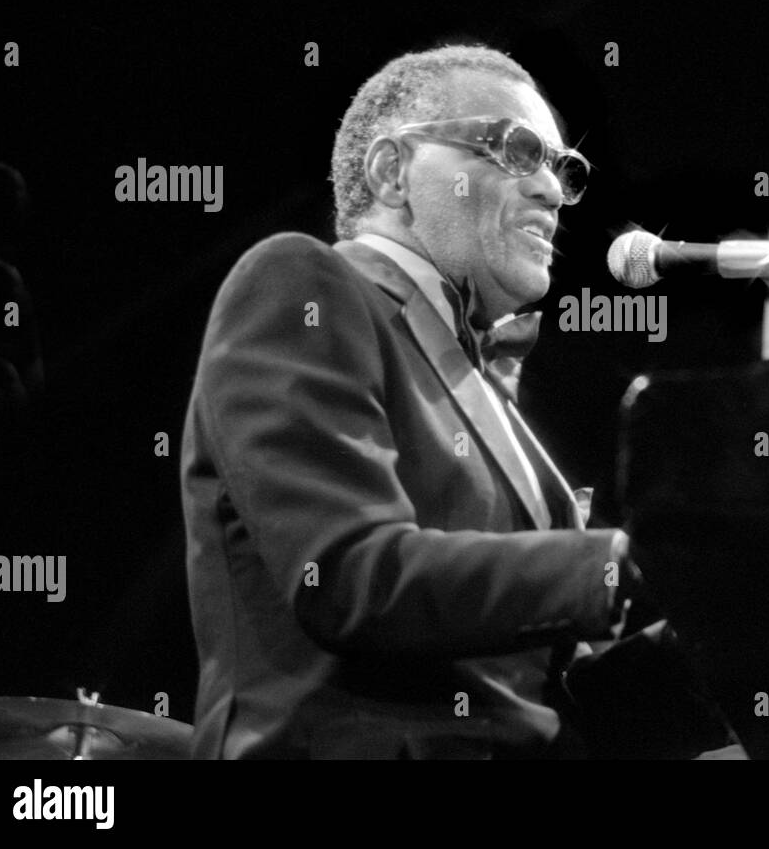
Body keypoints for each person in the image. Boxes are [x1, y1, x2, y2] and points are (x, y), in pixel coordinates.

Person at [181, 44, 640, 759]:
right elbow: (350, 577)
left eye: (563, 168)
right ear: (392, 174)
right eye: (518, 150)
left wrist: (720, 619)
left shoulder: (479, 378)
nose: (552, 189)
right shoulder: (302, 284)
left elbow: (536, 692)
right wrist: (613, 563)